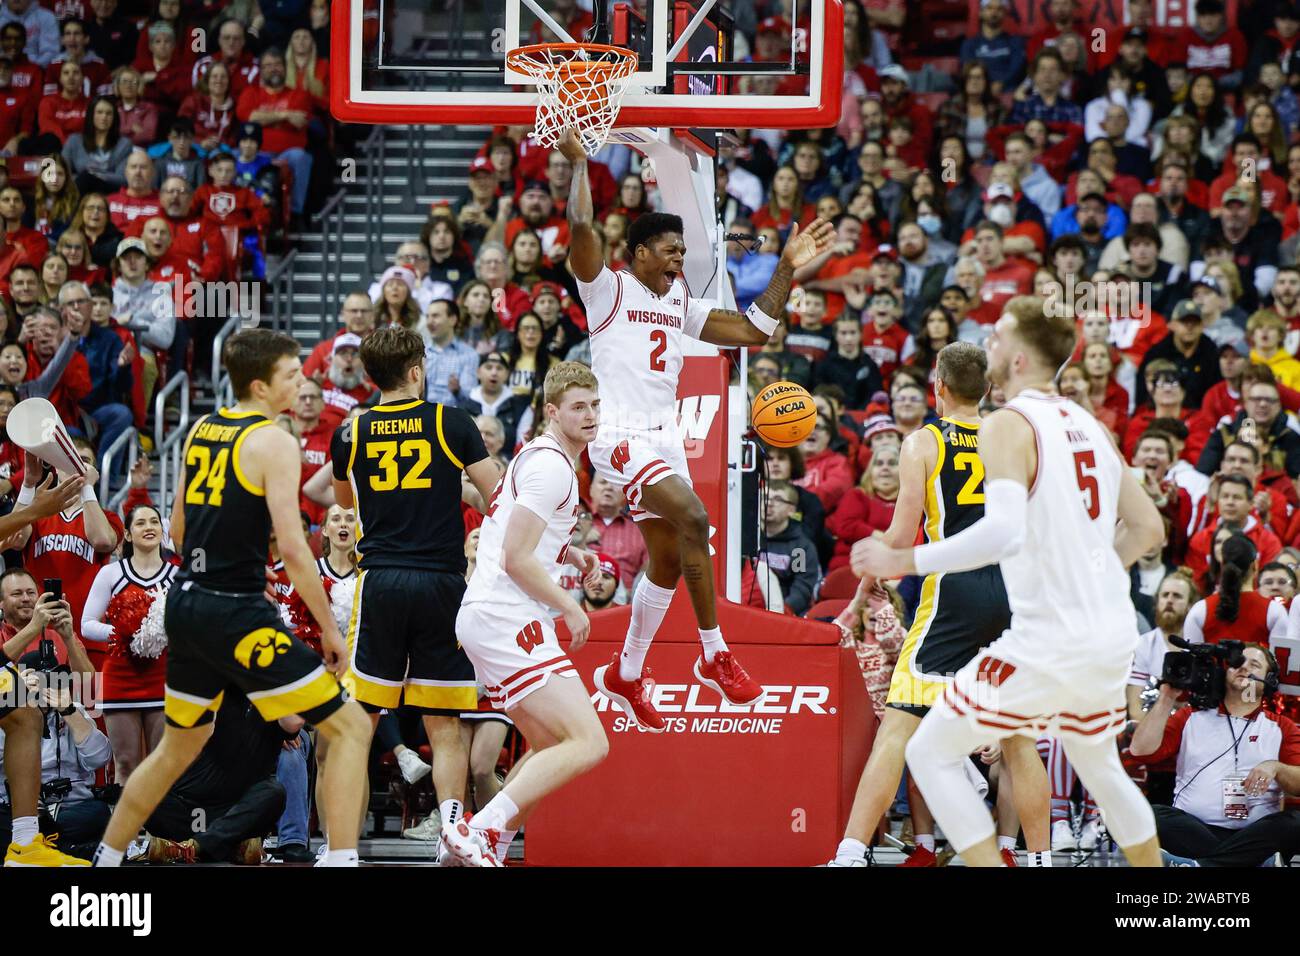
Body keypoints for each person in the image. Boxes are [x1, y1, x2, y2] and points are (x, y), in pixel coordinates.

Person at [853, 295, 1166, 868]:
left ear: (1019, 358)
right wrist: (1088, 578)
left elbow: (998, 532)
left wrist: (906, 564)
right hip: (1105, 628)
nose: (990, 344)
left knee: (926, 750)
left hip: (1035, 628)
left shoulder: (1009, 424)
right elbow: (1147, 527)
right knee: (1097, 765)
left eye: (998, 336)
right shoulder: (1091, 425)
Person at [557, 125, 834, 730]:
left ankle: (627, 673)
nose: (680, 259)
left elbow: (755, 330)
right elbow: (582, 233)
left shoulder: (681, 303)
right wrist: (579, 165)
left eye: (683, 251)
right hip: (619, 433)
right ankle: (716, 654)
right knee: (696, 519)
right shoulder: (606, 291)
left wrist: (786, 266)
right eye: (670, 251)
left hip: (664, 435)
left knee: (666, 558)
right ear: (639, 255)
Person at [92, 329, 372, 869]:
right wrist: (331, 631)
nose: (302, 380)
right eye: (293, 373)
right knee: (351, 725)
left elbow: (178, 525)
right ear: (262, 385)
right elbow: (293, 549)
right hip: (234, 612)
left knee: (178, 746)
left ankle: (106, 860)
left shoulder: (201, 427)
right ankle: (341, 860)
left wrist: (226, 562)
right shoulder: (276, 441)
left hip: (187, 603)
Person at [829, 342, 1049, 868]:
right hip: (1014, 595)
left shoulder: (923, 442)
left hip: (954, 593)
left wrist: (865, 584)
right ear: (989, 389)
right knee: (1018, 740)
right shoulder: (1018, 438)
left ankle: (851, 853)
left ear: (938, 386)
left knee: (899, 726)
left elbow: (902, 536)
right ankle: (1041, 859)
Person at [330, 326, 499, 863]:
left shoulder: (349, 432)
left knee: (361, 722)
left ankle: (341, 849)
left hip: (380, 579)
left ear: (368, 375)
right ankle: (452, 836)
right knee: (444, 724)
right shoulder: (450, 421)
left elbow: (345, 501)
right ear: (416, 370)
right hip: (442, 582)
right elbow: (496, 493)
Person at [443, 362, 609, 866]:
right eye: (578, 407)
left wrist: (569, 554)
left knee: (549, 744)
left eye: (595, 405)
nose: (591, 415)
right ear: (552, 411)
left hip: (488, 614)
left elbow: (512, 528)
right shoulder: (553, 466)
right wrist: (570, 606)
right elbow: (515, 558)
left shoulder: (540, 454)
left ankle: (486, 842)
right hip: (506, 614)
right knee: (589, 742)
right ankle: (477, 830)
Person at [1130, 644, 1300, 866]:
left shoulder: (1281, 727)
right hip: (1194, 829)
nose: (1243, 668)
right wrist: (1166, 698)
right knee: (1144, 814)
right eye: (1237, 663)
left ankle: (1201, 865)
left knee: (1296, 822)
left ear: (1269, 680)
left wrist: (1276, 767)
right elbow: (1140, 750)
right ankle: (1254, 862)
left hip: (1256, 831)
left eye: (1254, 664)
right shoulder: (1191, 716)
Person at [141, 689, 299, 865]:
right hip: (191, 804)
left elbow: (293, 722)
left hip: (237, 808)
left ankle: (189, 847)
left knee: (273, 793)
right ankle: (231, 846)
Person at [79, 503, 174, 784]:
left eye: (154, 522)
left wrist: (161, 633)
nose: (149, 527)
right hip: (121, 676)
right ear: (129, 535)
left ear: (161, 530)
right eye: (141, 523)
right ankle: (127, 830)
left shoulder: (176, 576)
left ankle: (160, 829)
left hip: (163, 676)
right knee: (126, 761)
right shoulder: (111, 573)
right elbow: (86, 625)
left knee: (161, 761)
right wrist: (124, 634)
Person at [1183, 533, 1288, 647]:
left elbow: (1191, 661)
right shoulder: (1274, 611)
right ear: (1255, 566)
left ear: (1222, 566)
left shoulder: (1199, 610)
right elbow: (1280, 662)